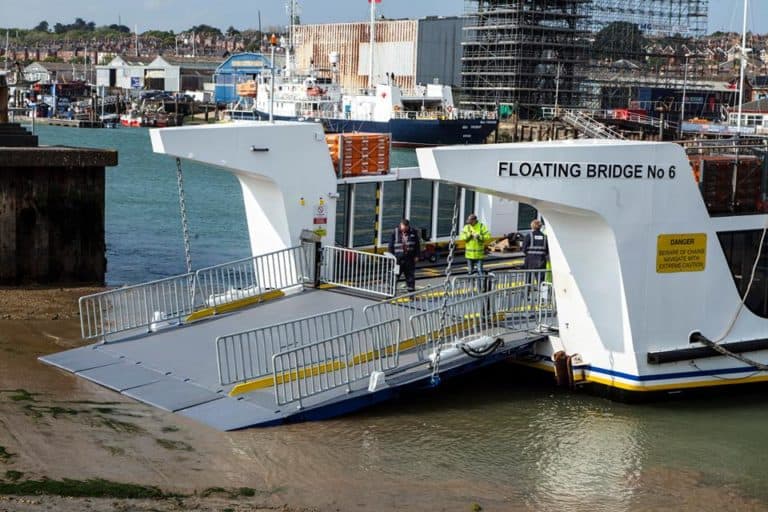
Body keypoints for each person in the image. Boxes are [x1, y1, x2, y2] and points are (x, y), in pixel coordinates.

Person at [388, 218, 420, 293]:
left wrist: (417, 256)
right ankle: (390, 293)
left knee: (410, 277)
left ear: (408, 226)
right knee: (394, 276)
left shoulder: (413, 232)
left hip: (409, 259)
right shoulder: (395, 232)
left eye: (406, 227)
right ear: (400, 225)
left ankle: (411, 294)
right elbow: (390, 245)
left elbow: (417, 245)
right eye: (403, 226)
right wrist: (391, 257)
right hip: (397, 260)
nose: (404, 229)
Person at [522, 219, 549, 286]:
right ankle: (542, 295)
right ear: (540, 227)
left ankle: (527, 294)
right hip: (541, 262)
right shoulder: (545, 237)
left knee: (528, 280)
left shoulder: (529, 236)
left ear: (532, 226)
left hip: (530, 262)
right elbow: (547, 251)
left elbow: (524, 249)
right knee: (541, 281)